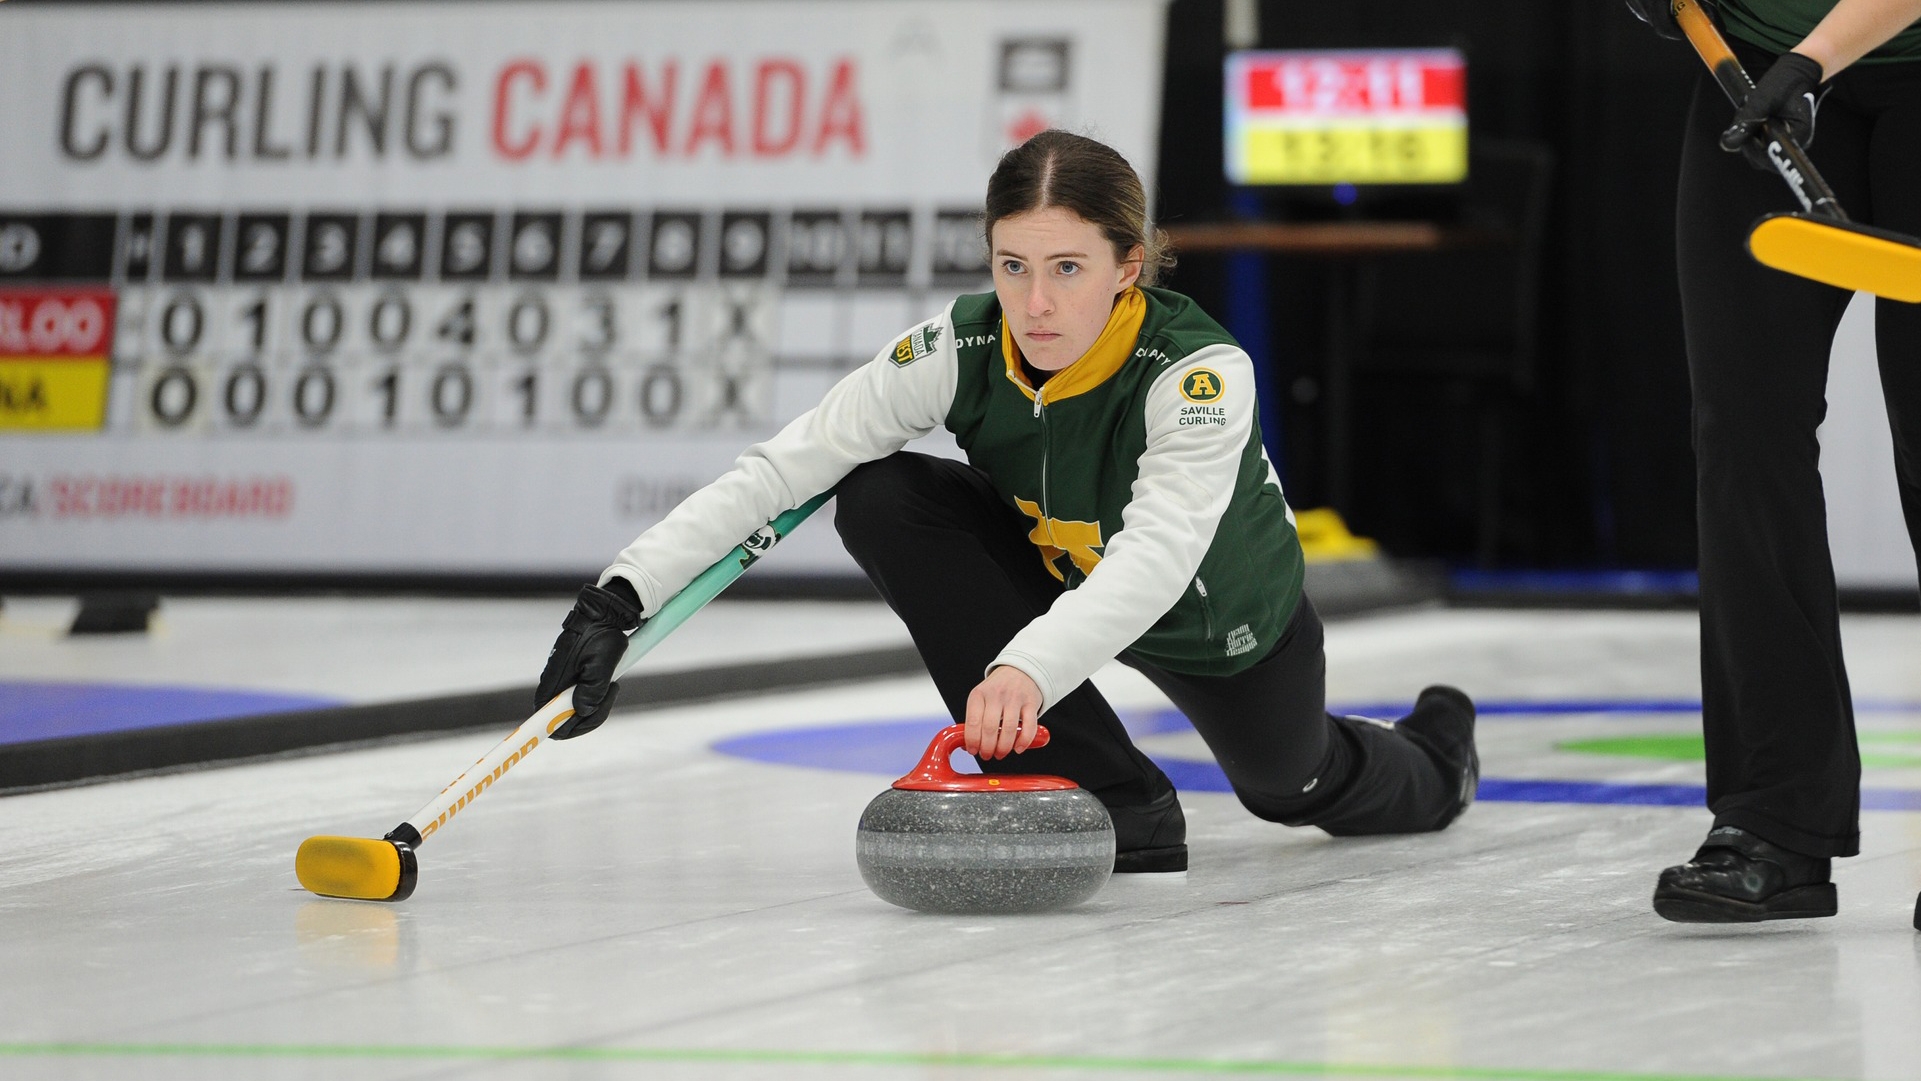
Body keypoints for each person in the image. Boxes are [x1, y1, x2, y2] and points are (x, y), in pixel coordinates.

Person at [534, 130, 1480, 872]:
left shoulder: (1197, 373)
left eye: (1066, 267)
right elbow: (787, 467)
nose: (1034, 304)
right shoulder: (959, 347)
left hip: (1213, 620)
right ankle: (1110, 799)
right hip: (1058, 579)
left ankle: (1437, 758)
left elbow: (1154, 561)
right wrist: (619, 597)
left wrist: (1023, 672)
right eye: (1012, 266)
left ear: (1128, 265)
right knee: (878, 493)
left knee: (1288, 783)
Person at [1624, 0, 1921, 924]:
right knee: (1741, 436)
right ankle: (1775, 821)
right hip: (1756, 72)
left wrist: (1814, 59)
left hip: (1854, 60)